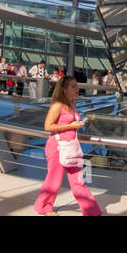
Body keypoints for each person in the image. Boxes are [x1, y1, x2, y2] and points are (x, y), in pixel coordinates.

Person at [34, 75, 101, 215]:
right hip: (57, 147)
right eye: (73, 86)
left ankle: (91, 211)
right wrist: (70, 126)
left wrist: (78, 124)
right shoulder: (58, 105)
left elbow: (69, 125)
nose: (77, 89)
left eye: (77, 86)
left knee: (78, 181)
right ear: (64, 89)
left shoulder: (72, 105)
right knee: (54, 180)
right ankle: (43, 207)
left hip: (71, 147)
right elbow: (47, 126)